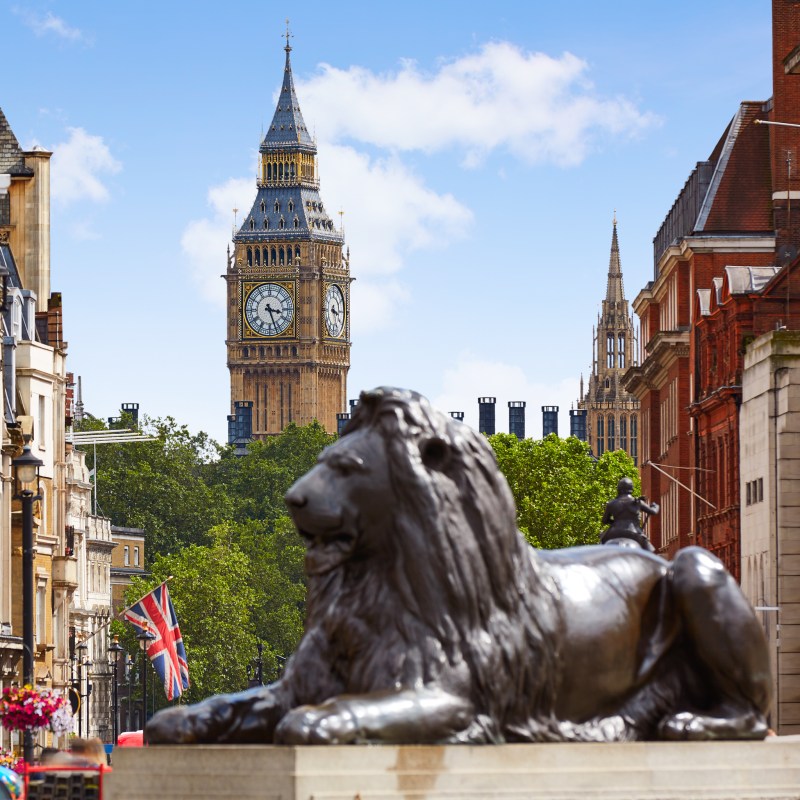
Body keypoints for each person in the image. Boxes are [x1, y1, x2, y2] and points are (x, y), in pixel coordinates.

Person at [600, 477, 659, 552]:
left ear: (618, 488)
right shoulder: (637, 502)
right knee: (650, 551)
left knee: (601, 546)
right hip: (633, 533)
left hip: (614, 533)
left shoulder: (612, 503)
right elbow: (653, 512)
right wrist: (655, 506)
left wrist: (614, 522)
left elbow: (604, 520)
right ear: (631, 488)